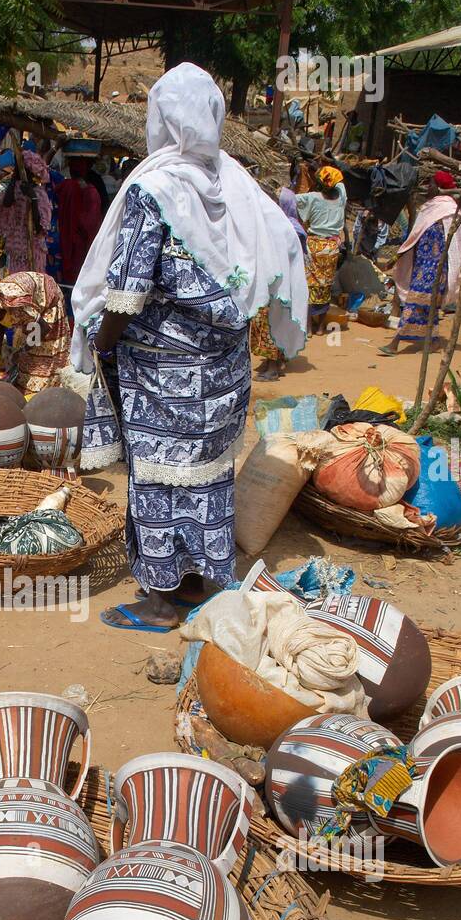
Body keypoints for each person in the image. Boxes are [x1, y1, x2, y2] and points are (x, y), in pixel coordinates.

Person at [71, 63, 307, 633]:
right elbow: (282, 246)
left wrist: (101, 348)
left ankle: (157, 601)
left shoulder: (152, 190)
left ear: (161, 118)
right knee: (208, 478)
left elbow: (126, 294)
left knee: (157, 479)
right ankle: (203, 584)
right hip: (224, 372)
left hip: (163, 375)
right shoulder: (236, 185)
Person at [381, 171, 461, 356]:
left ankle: (394, 343)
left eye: (431, 184)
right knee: (428, 308)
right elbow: (415, 236)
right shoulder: (430, 208)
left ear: (439, 187)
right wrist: (396, 258)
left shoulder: (449, 210)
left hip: (437, 269)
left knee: (416, 303)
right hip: (421, 266)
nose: (428, 188)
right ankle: (434, 341)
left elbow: (459, 242)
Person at [0, 271, 70, 394]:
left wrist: (23, 350)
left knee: (46, 350)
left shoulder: (18, 305)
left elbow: (44, 329)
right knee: (28, 352)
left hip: (48, 300)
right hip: (31, 302)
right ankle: (28, 385)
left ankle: (47, 389)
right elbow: (0, 324)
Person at [250, 181, 307, 380]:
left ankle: (273, 368)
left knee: (271, 325)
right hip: (273, 284)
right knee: (266, 325)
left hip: (276, 286)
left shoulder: (280, 227)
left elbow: (280, 258)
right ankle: (270, 361)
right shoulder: (278, 224)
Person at [296, 164, 347, 334]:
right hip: (331, 247)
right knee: (325, 285)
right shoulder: (340, 198)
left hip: (313, 247)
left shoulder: (313, 197)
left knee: (309, 285)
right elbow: (340, 184)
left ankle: (309, 327)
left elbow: (290, 199)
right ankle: (320, 327)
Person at [0, 148, 52, 274]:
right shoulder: (14, 191)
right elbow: (5, 205)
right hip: (16, 252)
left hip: (33, 252)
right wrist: (14, 180)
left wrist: (33, 198)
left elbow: (40, 228)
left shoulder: (39, 194)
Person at [57, 155, 103, 283]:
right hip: (79, 245)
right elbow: (91, 224)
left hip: (61, 239)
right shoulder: (91, 192)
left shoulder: (64, 186)